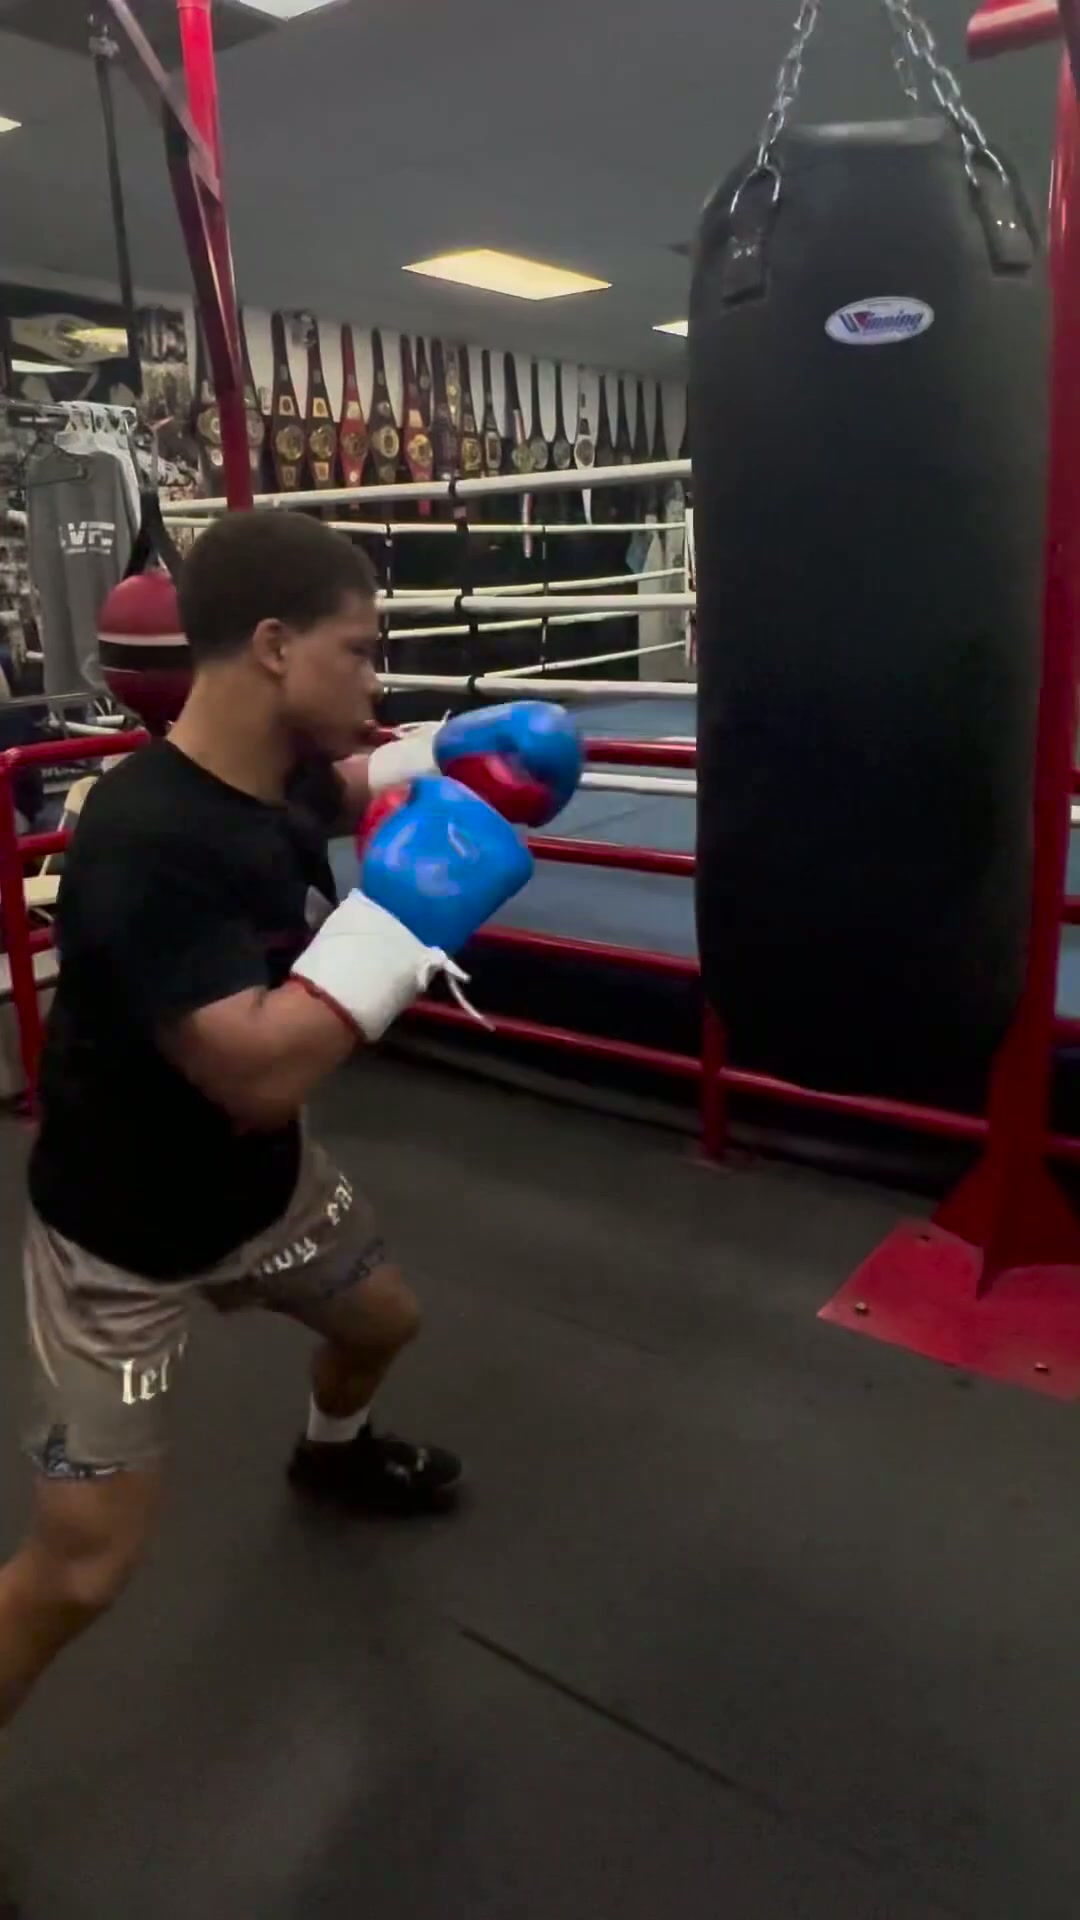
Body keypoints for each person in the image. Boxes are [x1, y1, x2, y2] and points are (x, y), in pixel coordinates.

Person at [0, 509, 581, 1735]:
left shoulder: (268, 772)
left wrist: (449, 749)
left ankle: (332, 1451)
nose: (374, 679)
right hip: (123, 1244)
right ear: (274, 646)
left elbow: (349, 782)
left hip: (263, 1192)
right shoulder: (146, 840)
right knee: (85, 1566)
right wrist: (402, 924)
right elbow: (258, 1074)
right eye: (361, 653)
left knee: (384, 1322)